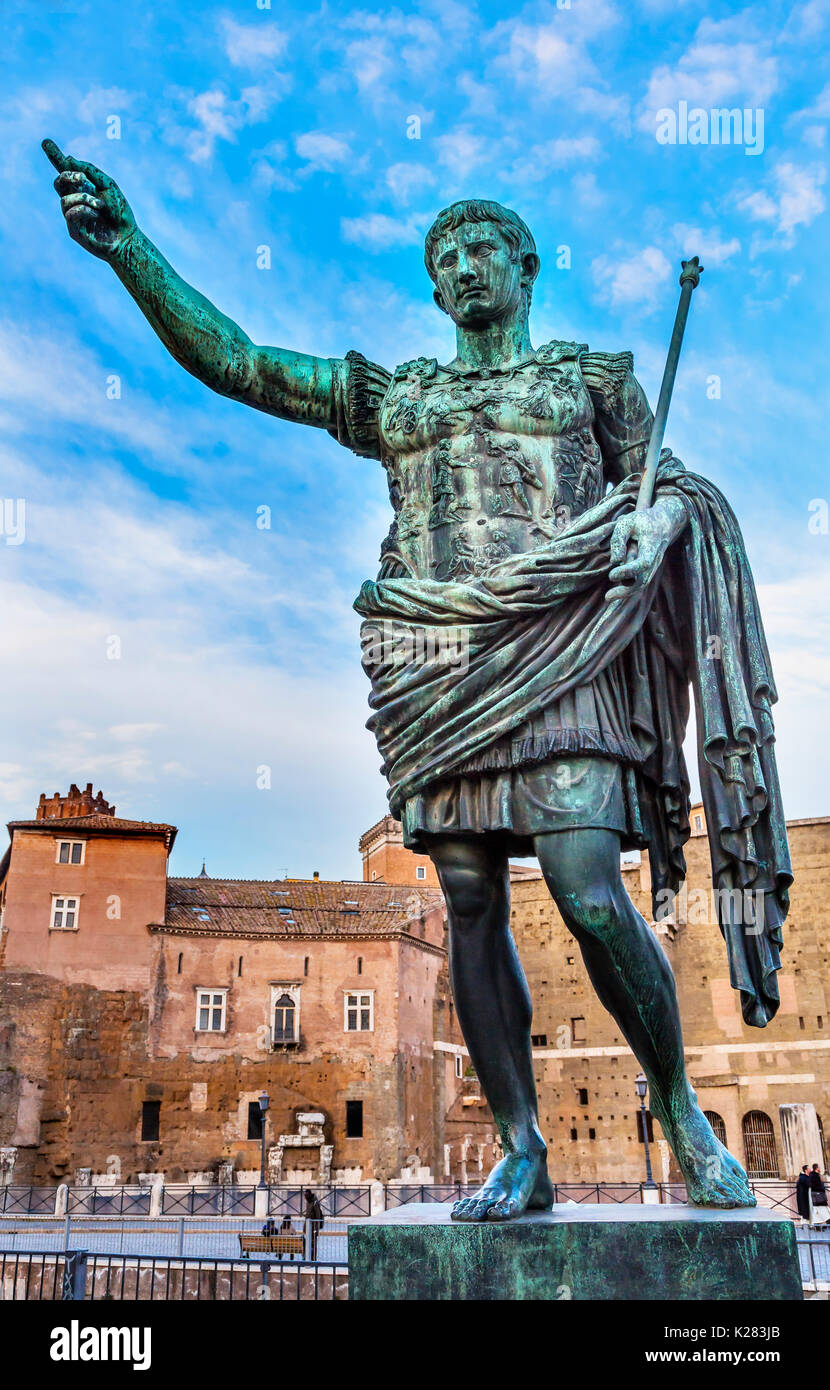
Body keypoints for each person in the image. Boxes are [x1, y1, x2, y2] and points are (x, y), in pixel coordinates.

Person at [43, 142, 793, 1221]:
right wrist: (130, 252)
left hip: (561, 646)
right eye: (443, 256)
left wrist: (656, 523)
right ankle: (522, 1148)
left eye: (481, 245)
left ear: (525, 265)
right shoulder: (402, 397)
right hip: (434, 667)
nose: (462, 265)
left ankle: (678, 1112)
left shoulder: (591, 380)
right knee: (471, 899)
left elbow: (669, 487)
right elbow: (243, 362)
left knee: (585, 884)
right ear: (432, 286)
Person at [304, 1189, 323, 1259]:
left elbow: (318, 1216)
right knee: (308, 1243)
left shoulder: (315, 1202)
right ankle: (308, 1257)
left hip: (314, 1227)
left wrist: (316, 1228)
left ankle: (313, 1258)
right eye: (304, 1195)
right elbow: (307, 1215)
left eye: (306, 1195)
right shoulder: (308, 1202)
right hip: (308, 1226)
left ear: (309, 1194)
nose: (305, 1197)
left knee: (313, 1243)